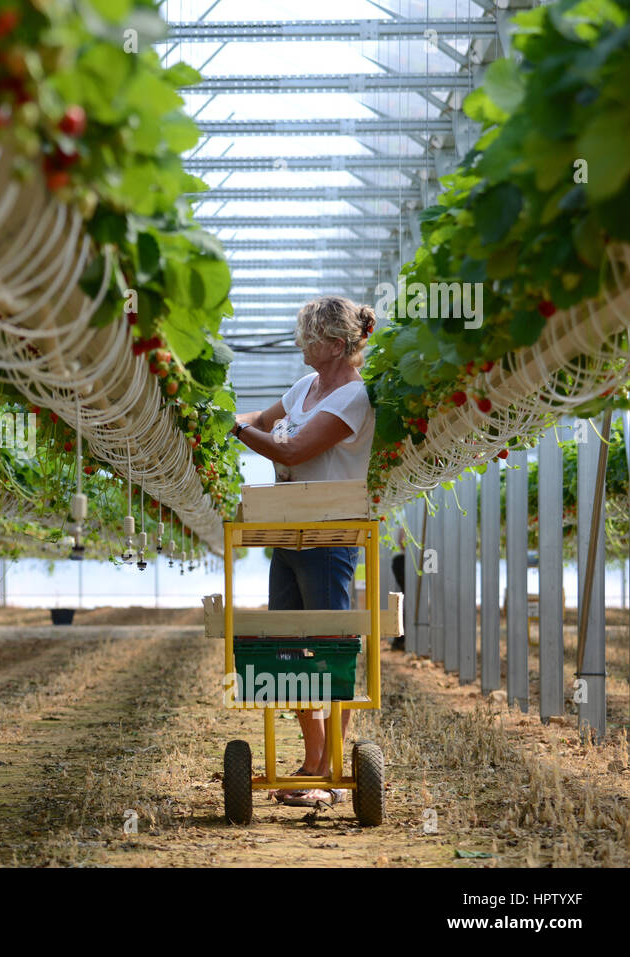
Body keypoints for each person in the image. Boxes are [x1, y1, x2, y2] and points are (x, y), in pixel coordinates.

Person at [229, 296, 376, 807]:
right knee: (285, 648)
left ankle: (328, 768)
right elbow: (261, 418)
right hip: (287, 534)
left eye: (309, 337)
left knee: (330, 651)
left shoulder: (351, 399)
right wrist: (226, 416)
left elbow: (290, 449)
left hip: (328, 537)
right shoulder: (306, 388)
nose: (300, 344)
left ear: (336, 344)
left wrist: (238, 430)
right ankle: (313, 759)